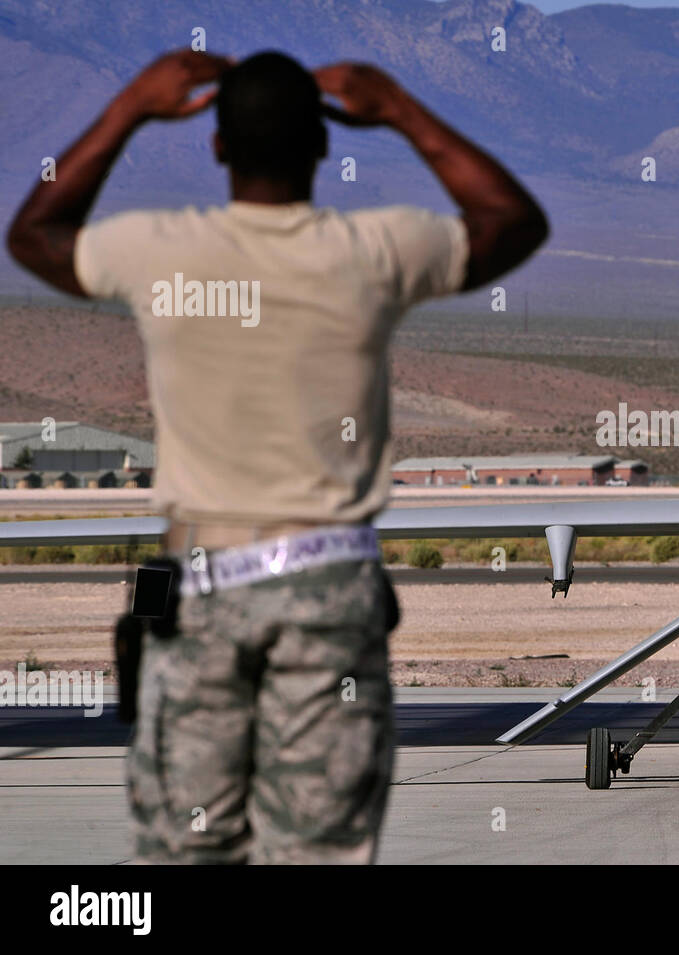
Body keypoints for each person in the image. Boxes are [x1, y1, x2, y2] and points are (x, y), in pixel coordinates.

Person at [6, 48, 547, 863]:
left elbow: (35, 233)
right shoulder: (374, 250)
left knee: (188, 849)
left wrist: (131, 106)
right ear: (325, 144)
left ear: (217, 146)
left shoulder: (160, 252)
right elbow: (512, 220)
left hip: (201, 586)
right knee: (320, 847)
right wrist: (400, 106)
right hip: (328, 585)